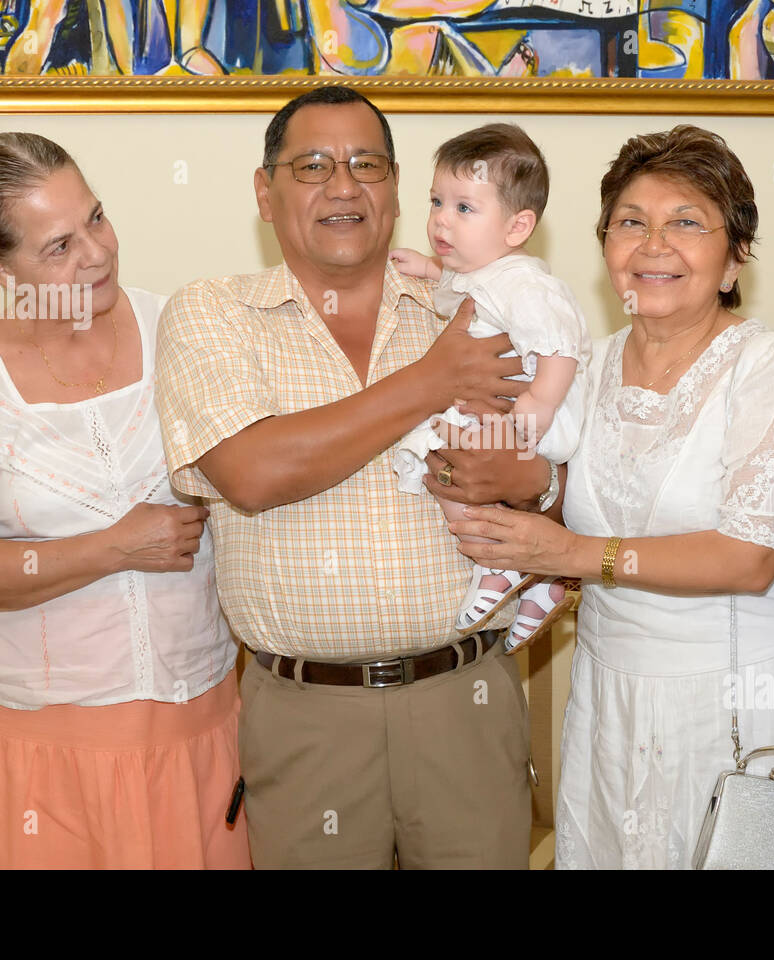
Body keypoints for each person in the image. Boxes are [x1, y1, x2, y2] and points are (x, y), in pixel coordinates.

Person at [154, 86, 553, 868]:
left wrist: (531, 476)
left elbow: (550, 463)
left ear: (398, 190)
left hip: (465, 699)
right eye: (312, 166)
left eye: (367, 164)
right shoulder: (212, 313)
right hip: (307, 717)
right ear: (265, 194)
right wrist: (433, 382)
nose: (344, 186)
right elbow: (254, 471)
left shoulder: (472, 308)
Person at [448, 125, 774, 869]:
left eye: (687, 223)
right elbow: (551, 489)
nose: (653, 245)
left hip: (731, 706)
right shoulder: (585, 366)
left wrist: (570, 552)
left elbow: (751, 558)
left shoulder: (770, 366)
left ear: (737, 255)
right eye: (631, 223)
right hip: (606, 700)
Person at [0, 132, 247, 869]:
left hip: (201, 734)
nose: (96, 252)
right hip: (42, 762)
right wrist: (113, 547)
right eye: (57, 246)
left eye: (96, 217)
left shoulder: (183, 331)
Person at [389, 123, 591, 653]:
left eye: (463, 208)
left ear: (518, 226)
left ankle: (496, 564)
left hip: (526, 410)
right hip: (493, 406)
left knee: (449, 467)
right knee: (445, 470)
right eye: (436, 201)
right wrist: (431, 269)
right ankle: (540, 581)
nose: (440, 219)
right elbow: (465, 288)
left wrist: (540, 403)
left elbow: (561, 344)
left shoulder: (526, 284)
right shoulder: (482, 273)